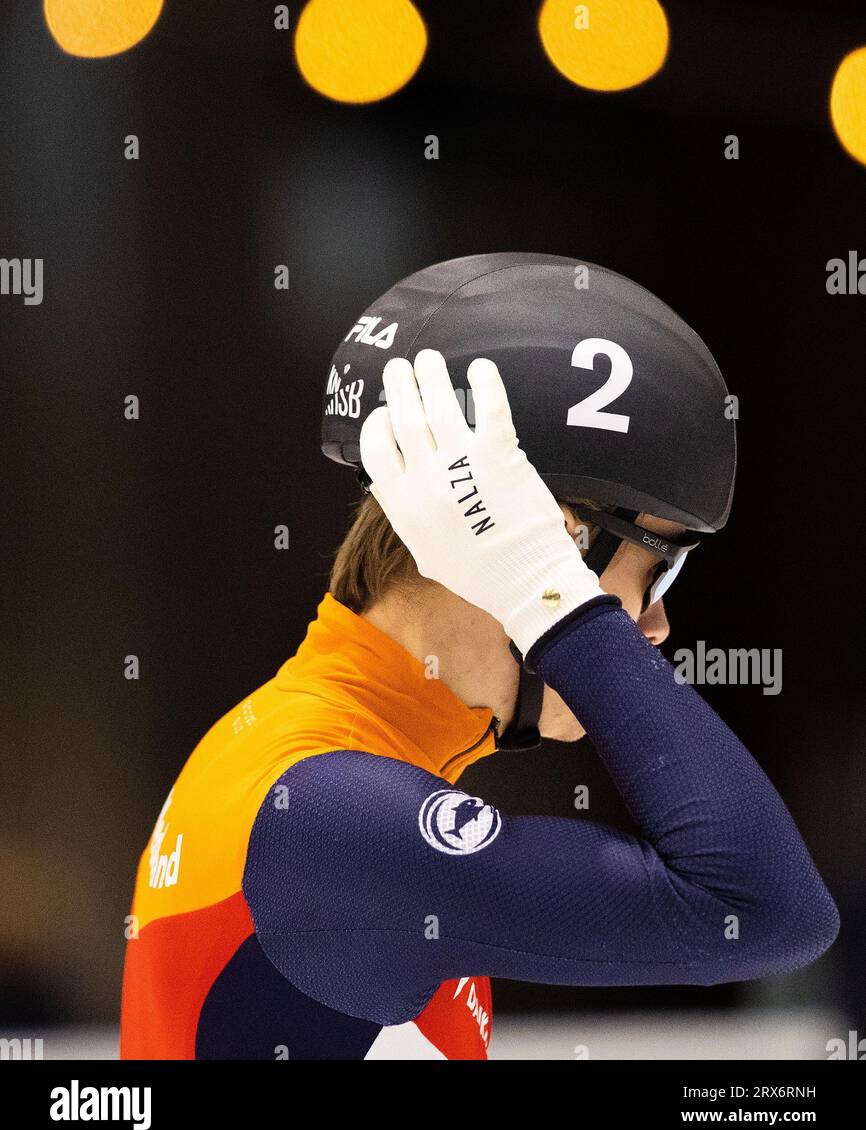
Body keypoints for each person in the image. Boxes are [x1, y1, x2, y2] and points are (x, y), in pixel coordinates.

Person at [120, 253, 838, 1060]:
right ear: (549, 529)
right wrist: (550, 595)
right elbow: (769, 910)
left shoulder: (318, 756)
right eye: (657, 566)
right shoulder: (322, 811)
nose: (659, 623)